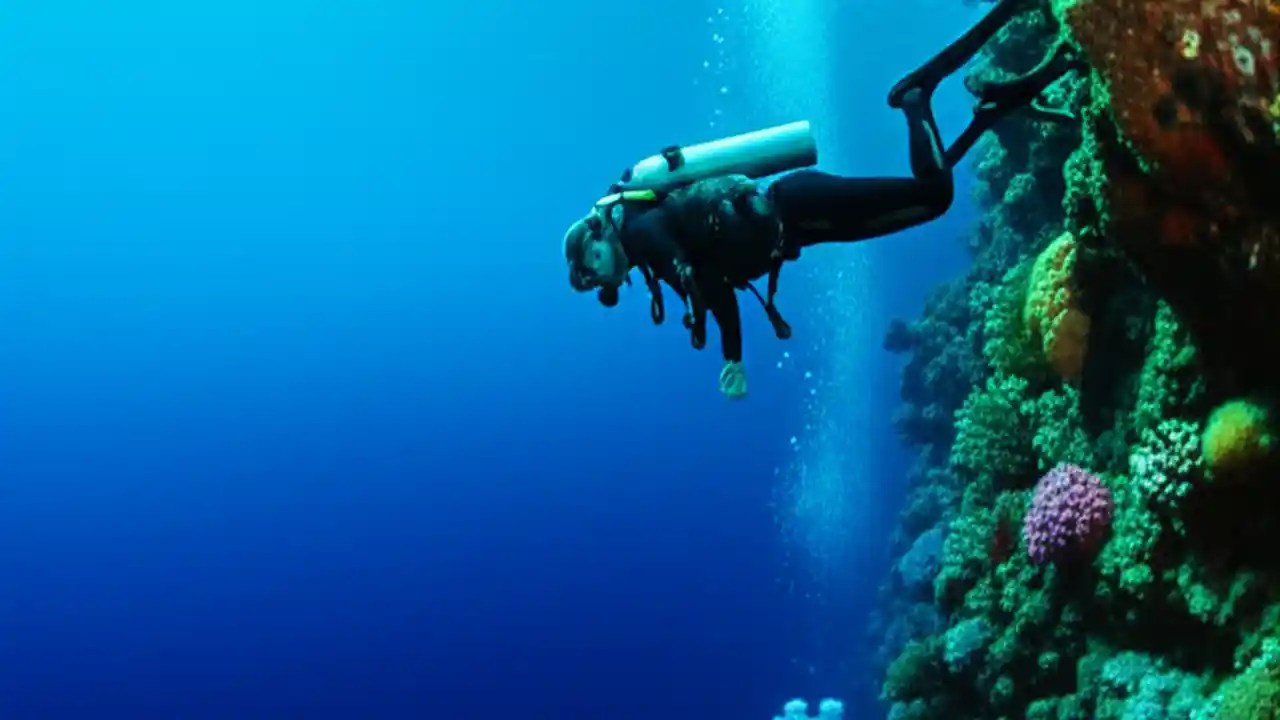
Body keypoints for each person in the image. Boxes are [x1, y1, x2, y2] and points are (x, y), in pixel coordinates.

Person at [564, 0, 1083, 398]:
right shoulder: (653, 248)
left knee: (932, 198)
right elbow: (714, 285)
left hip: (797, 206)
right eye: (593, 278)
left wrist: (697, 312)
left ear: (598, 236)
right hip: (802, 225)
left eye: (591, 262)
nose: (601, 275)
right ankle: (993, 110)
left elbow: (689, 272)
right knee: (925, 202)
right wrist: (733, 357)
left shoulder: (639, 230)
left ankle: (917, 96)